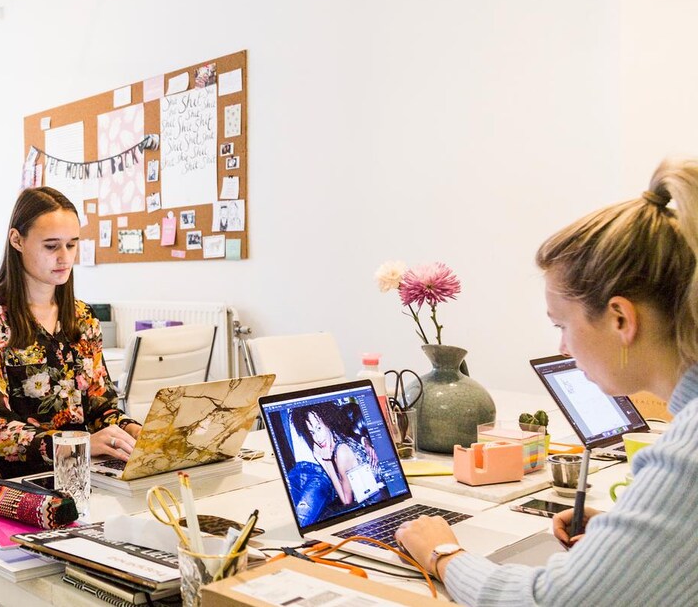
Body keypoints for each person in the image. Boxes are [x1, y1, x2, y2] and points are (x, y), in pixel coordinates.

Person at [395, 157, 698, 605]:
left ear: (620, 318)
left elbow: (548, 600)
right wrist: (631, 541)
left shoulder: (685, 454)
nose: (563, 349)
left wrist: (442, 553)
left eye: (561, 324)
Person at [0, 186, 141, 479]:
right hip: (24, 479)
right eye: (51, 246)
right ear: (17, 240)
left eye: (72, 245)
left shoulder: (82, 317)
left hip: (88, 471)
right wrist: (80, 444)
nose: (65, 258)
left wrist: (133, 431)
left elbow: (101, 408)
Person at [287, 401, 381, 524]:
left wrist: (325, 461)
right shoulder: (338, 436)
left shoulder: (341, 452)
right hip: (298, 469)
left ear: (327, 423)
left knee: (301, 519)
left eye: (319, 428)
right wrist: (365, 441)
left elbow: (347, 501)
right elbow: (354, 435)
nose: (318, 438)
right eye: (312, 432)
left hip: (371, 499)